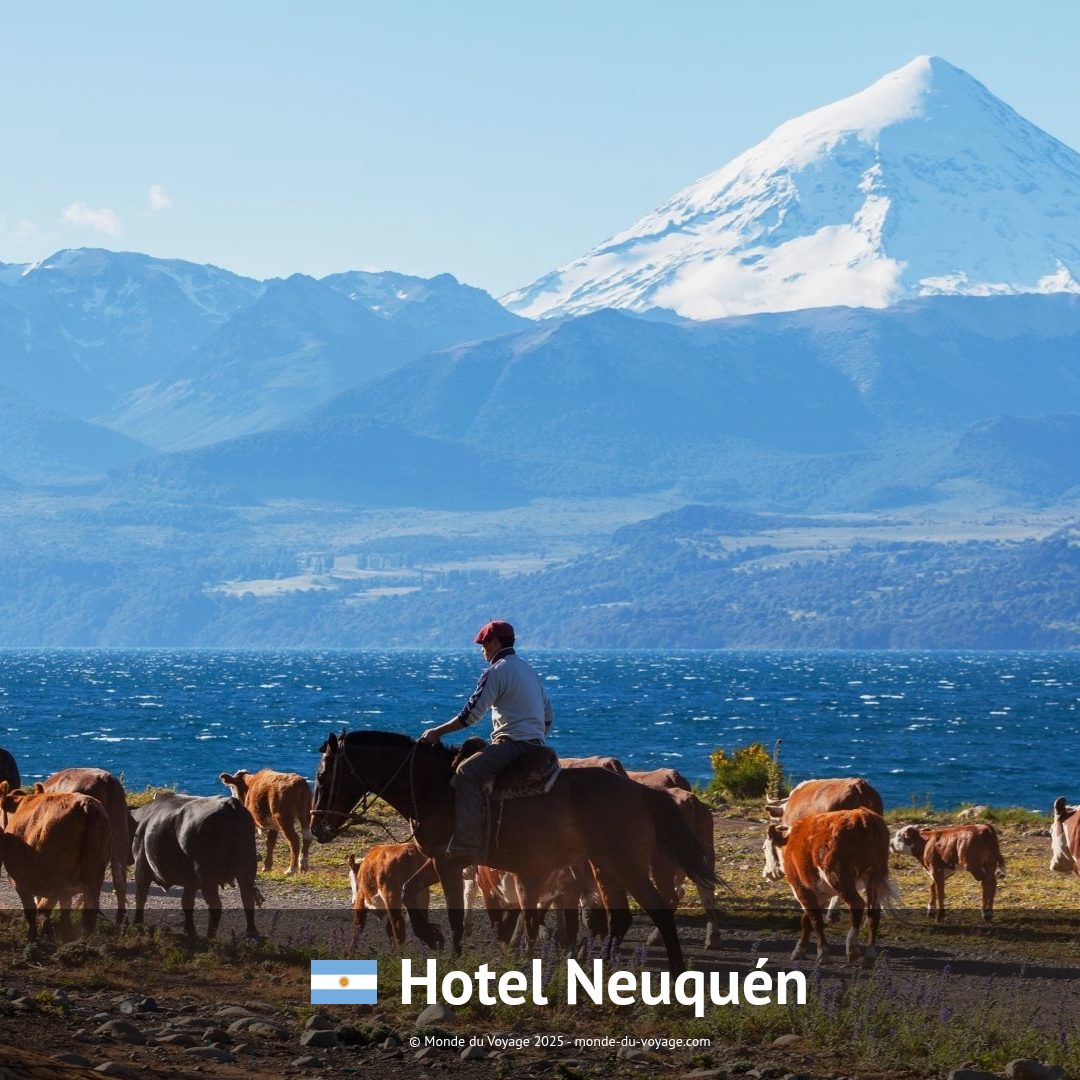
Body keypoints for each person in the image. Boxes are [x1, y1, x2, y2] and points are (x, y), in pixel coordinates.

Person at [419, 620, 553, 861]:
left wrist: (437, 732)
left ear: (495, 642)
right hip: (537, 744)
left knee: (465, 774)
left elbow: (471, 715)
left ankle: (467, 845)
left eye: (483, 644)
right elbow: (548, 717)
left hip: (513, 745)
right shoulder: (528, 670)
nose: (482, 650)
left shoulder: (496, 671)